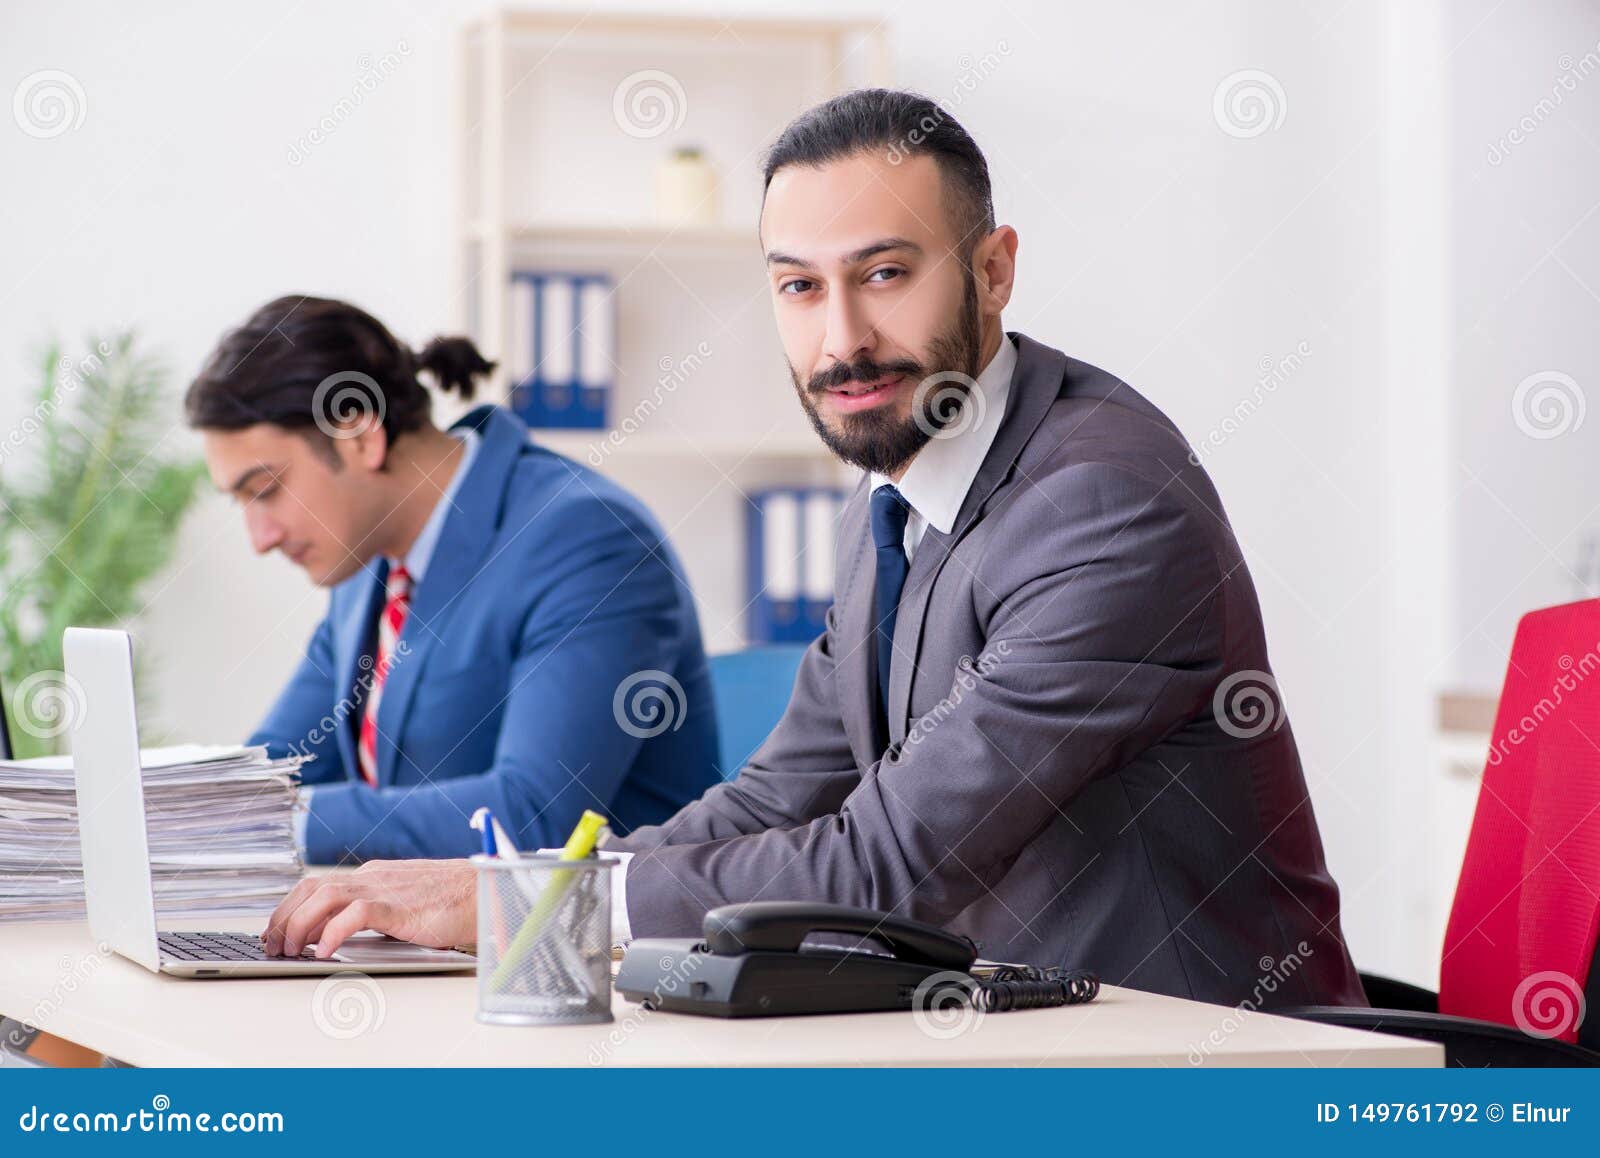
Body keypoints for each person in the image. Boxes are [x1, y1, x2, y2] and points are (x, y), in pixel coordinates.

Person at [263, 92, 1365, 1008]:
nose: (839, 339)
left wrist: (527, 904)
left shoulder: (1104, 505)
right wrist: (527, 887)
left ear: (991, 271)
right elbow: (775, 798)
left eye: (885, 273)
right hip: (1003, 1042)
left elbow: (889, 861)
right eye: (799, 286)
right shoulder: (890, 496)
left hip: (1197, 1065)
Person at [187, 295, 719, 863]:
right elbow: (278, 769)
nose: (260, 537)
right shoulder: (366, 559)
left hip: (582, 945)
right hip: (435, 942)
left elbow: (529, 816)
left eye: (266, 490)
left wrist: (281, 820)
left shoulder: (590, 540)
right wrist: (183, 807)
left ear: (360, 437)